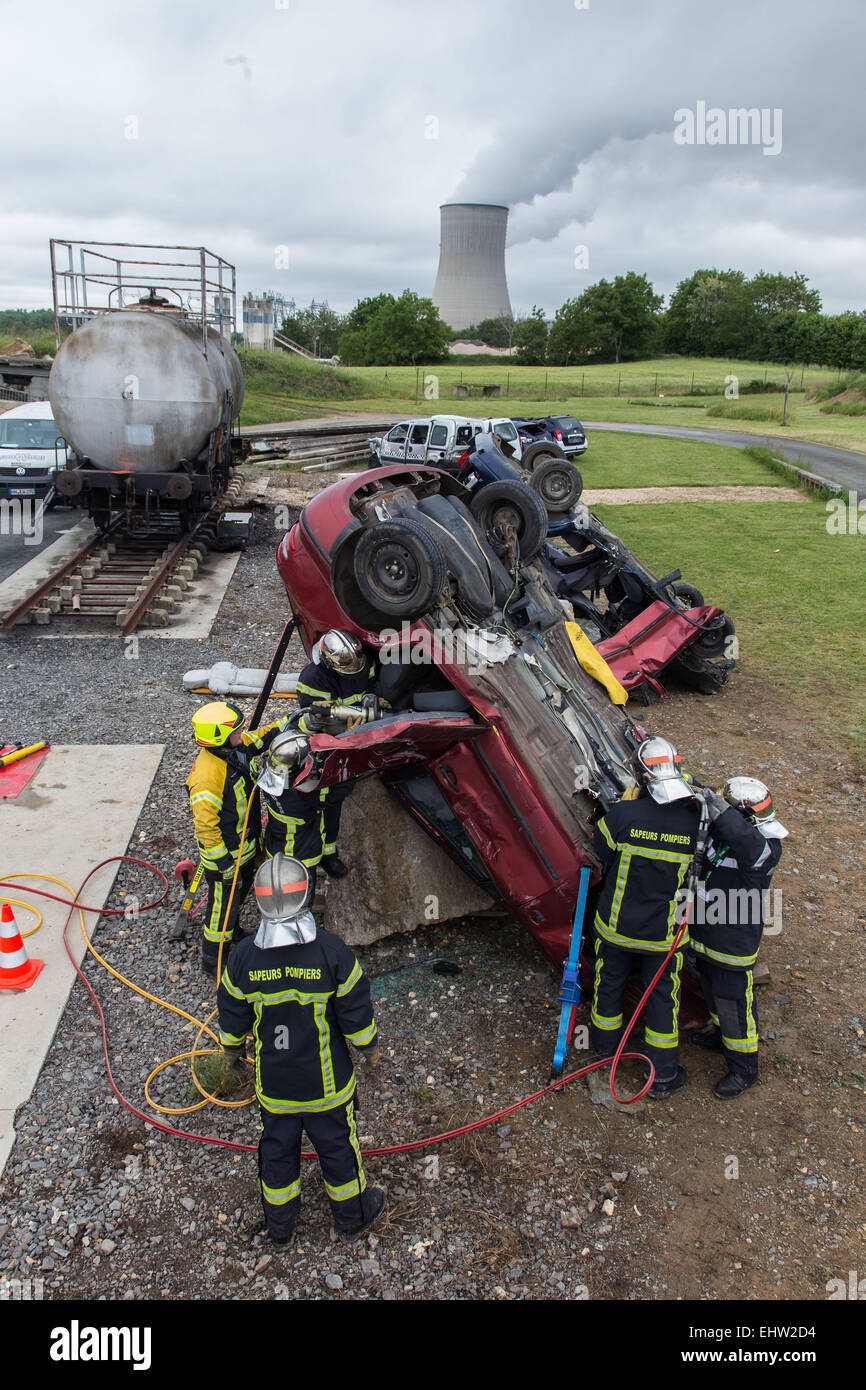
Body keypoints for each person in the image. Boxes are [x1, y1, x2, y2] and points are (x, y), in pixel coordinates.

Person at [217, 854, 386, 1246]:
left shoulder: (243, 958)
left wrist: (230, 1052)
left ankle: (279, 1230)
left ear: (258, 901)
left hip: (275, 1087)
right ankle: (351, 1218)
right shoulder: (331, 952)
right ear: (306, 895)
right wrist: (369, 1048)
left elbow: (231, 1014)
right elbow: (356, 1012)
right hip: (326, 1086)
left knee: (276, 1152)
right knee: (338, 1147)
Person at [590, 737, 703, 1097]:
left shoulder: (623, 816)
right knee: (662, 998)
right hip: (664, 937)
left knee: (608, 985)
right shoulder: (694, 824)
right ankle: (663, 1075)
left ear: (640, 775)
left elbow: (600, 849)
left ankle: (604, 1053)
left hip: (616, 929)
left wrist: (623, 809)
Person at [689, 777, 787, 1098]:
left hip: (732, 944)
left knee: (734, 1003)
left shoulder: (765, 847)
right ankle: (720, 1036)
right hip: (704, 933)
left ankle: (745, 1069)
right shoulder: (725, 831)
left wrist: (720, 812)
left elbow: (747, 843)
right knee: (710, 988)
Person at [186, 701, 289, 976]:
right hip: (226, 857)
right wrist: (224, 865)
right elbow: (206, 829)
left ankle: (232, 932)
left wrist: (287, 722)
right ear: (220, 736)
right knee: (221, 907)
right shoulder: (208, 777)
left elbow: (257, 739)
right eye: (236, 729)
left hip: (243, 847)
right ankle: (214, 959)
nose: (242, 731)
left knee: (238, 896)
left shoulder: (231, 749)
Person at [296, 631, 378, 878]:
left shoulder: (363, 662)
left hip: (358, 733)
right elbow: (323, 720)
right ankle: (323, 856)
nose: (354, 668)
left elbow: (370, 684)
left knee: (339, 795)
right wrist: (355, 724)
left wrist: (372, 698)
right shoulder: (312, 679)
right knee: (323, 801)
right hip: (330, 742)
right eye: (346, 665)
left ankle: (328, 850)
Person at [256, 729, 325, 875]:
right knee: (301, 889)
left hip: (275, 844)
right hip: (301, 852)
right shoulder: (302, 797)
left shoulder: (269, 773)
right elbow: (331, 796)